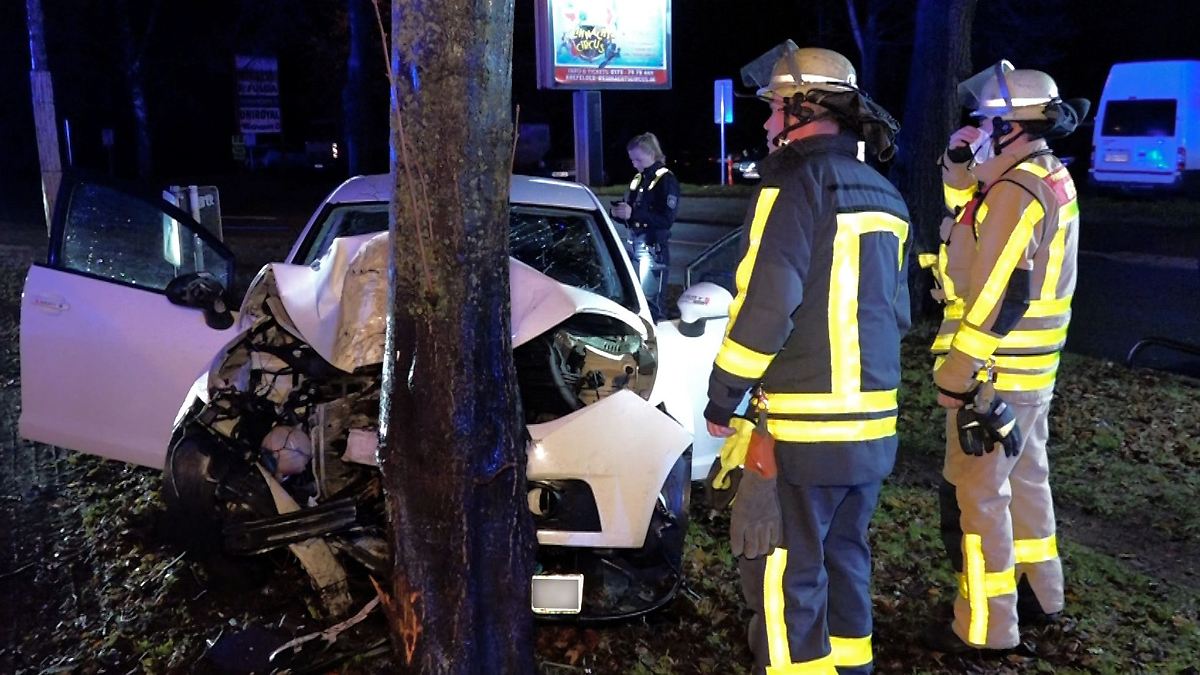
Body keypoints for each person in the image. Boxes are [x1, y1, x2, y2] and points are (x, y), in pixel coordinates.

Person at [704, 42, 909, 674]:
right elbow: (899, 315)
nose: (768, 122)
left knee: (786, 573)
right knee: (846, 557)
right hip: (873, 430)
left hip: (803, 431)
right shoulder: (888, 195)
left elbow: (767, 306)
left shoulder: (792, 182)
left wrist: (723, 395)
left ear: (803, 109)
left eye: (775, 108)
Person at [921, 62, 1088, 652]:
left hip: (995, 374)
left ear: (1011, 128)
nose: (977, 130)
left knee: (979, 499)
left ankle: (986, 629)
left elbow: (998, 294)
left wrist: (958, 371)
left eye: (985, 122)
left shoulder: (1017, 192)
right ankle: (1042, 595)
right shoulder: (1040, 175)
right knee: (1027, 479)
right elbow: (969, 218)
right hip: (1030, 371)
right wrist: (956, 165)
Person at [610, 132, 679, 321]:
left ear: (652, 154)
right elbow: (632, 210)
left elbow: (666, 219)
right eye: (632, 160)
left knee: (651, 303)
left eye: (638, 159)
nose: (634, 164)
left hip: (652, 248)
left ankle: (656, 334)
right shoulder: (639, 179)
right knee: (635, 301)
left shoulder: (666, 180)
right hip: (635, 245)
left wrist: (633, 213)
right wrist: (618, 213)